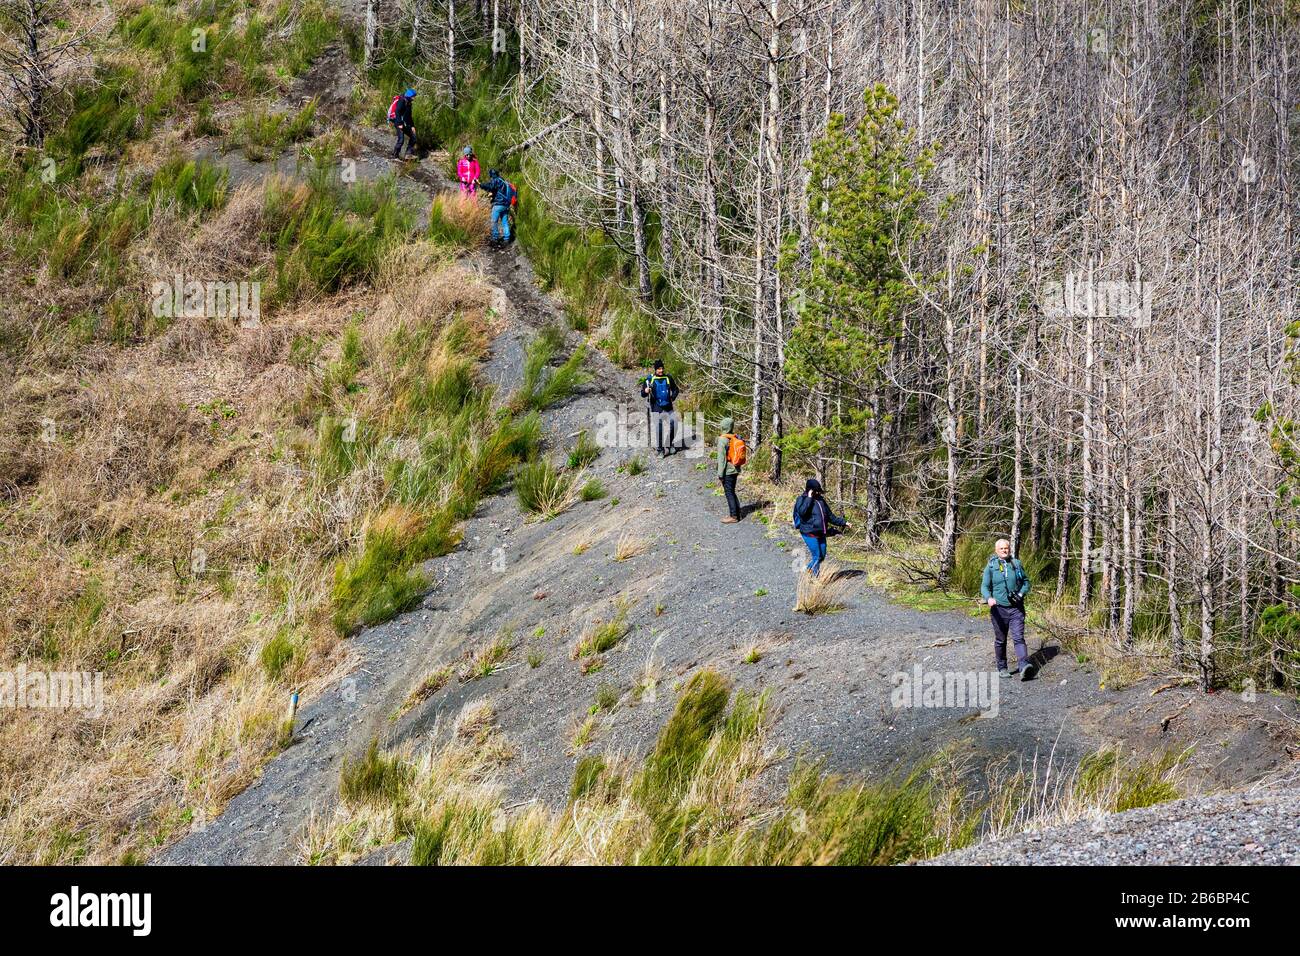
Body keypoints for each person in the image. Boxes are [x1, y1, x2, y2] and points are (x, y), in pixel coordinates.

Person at [980, 538, 1035, 680]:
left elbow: (1026, 582)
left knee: (1018, 637)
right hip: (998, 610)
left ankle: (1024, 666)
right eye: (1002, 549)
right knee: (1001, 639)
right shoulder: (991, 567)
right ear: (996, 550)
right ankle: (1002, 667)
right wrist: (989, 598)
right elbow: (984, 587)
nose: (1005, 551)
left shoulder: (1016, 564)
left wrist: (1021, 593)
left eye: (1006, 548)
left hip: (1016, 608)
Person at [792, 478, 847, 576]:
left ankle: (808, 571)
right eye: (816, 491)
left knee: (821, 556)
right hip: (809, 533)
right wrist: (809, 498)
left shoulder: (821, 500)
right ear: (810, 490)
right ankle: (814, 577)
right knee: (816, 556)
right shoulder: (802, 499)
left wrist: (844, 523)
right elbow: (802, 512)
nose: (818, 493)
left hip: (821, 533)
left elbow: (830, 516)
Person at [639, 360, 680, 456]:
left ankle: (669, 445)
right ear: (655, 369)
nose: (661, 370)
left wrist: (672, 397)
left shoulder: (668, 377)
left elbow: (675, 389)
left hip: (668, 406)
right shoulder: (649, 379)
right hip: (656, 407)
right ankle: (660, 450)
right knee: (659, 429)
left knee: (675, 425)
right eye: (659, 369)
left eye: (662, 368)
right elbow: (642, 394)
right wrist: (646, 391)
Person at [716, 417, 747, 523]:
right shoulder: (735, 437)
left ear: (723, 427)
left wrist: (720, 475)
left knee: (729, 492)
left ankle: (734, 516)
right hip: (736, 468)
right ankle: (737, 512)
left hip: (728, 471)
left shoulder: (722, 440)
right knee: (732, 491)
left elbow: (721, 460)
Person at [483, 168, 515, 246]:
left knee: (494, 221)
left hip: (498, 204)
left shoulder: (496, 180)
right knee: (505, 222)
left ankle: (495, 238)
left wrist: (481, 185)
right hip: (506, 204)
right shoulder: (503, 181)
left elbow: (490, 186)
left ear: (492, 174)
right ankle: (507, 239)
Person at [388, 88, 417, 160]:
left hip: (403, 122)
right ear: (409, 96)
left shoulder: (409, 103)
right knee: (401, 140)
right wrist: (399, 123)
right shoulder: (401, 100)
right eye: (413, 96)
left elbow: (409, 116)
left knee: (413, 137)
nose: (414, 98)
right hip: (397, 122)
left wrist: (412, 126)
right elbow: (397, 112)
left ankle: (408, 154)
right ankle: (395, 156)